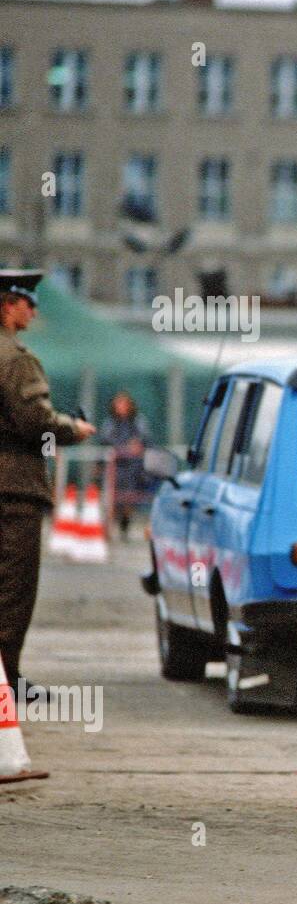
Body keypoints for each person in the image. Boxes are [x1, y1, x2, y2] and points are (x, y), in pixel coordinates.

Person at [0, 270, 95, 697]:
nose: (33, 310)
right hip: (12, 490)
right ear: (7, 304)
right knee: (13, 586)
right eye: (27, 301)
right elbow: (34, 422)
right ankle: (5, 678)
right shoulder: (15, 359)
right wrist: (72, 429)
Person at [96, 390, 153, 540]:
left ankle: (124, 526)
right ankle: (109, 528)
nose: (121, 406)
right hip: (115, 467)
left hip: (132, 468)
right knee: (112, 498)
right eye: (118, 403)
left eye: (123, 403)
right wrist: (121, 448)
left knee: (129, 498)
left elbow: (143, 439)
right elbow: (105, 440)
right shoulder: (110, 423)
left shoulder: (138, 421)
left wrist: (135, 447)